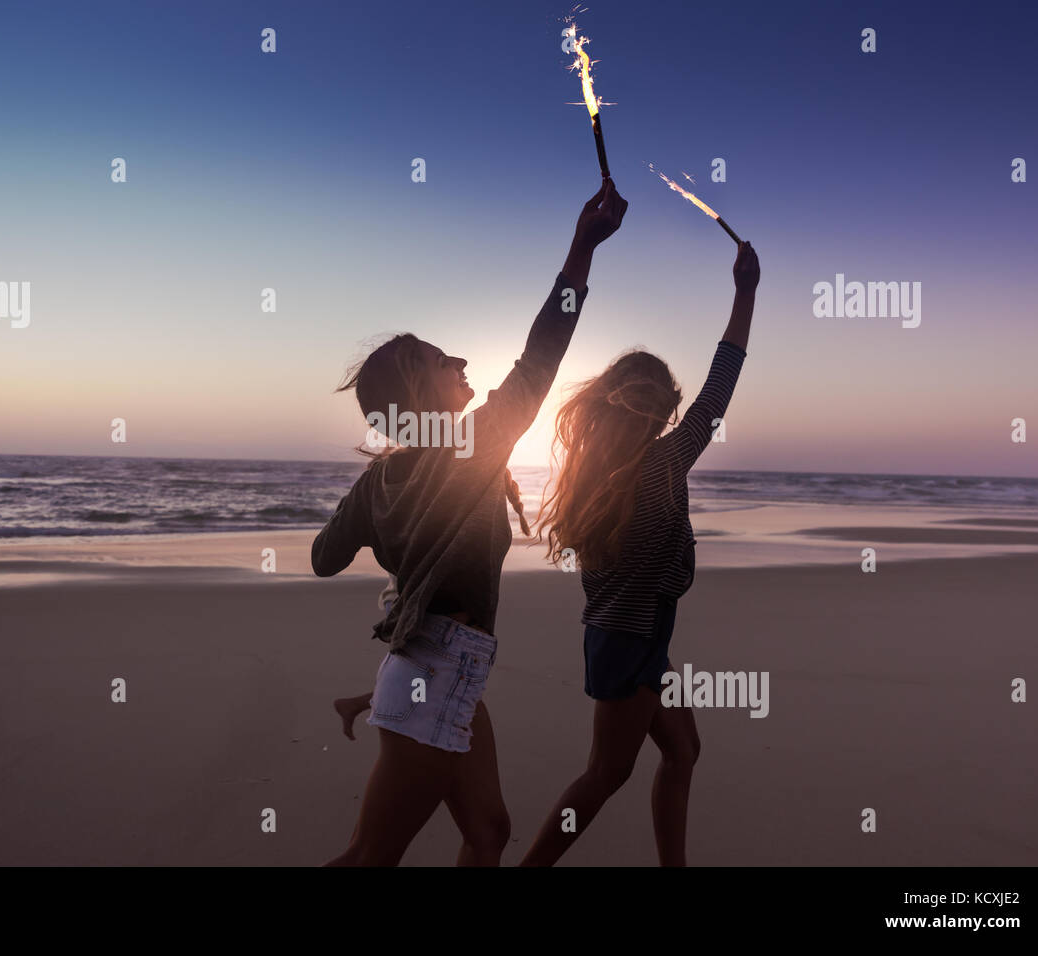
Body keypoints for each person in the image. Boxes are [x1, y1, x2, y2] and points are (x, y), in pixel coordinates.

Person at [312, 180, 628, 866]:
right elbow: (544, 352)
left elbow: (322, 557)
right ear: (421, 391)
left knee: (487, 833)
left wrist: (396, 541)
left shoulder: (382, 478)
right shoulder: (472, 445)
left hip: (436, 668)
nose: (460, 361)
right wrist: (583, 246)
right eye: (440, 358)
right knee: (371, 856)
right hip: (434, 670)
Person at [519, 241, 760, 866]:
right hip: (630, 641)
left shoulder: (588, 472)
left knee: (682, 750)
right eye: (668, 407)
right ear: (660, 410)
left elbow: (712, 395)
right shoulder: (664, 461)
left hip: (628, 636)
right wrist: (745, 292)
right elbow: (722, 384)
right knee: (605, 774)